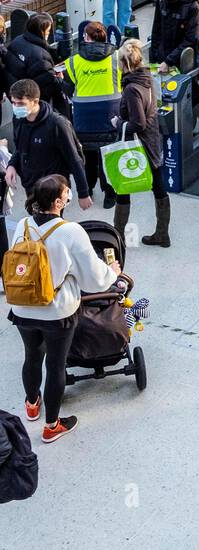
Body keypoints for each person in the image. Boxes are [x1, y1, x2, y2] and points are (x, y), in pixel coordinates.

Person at [7, 173, 119, 442]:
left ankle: (32, 405)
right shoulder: (70, 231)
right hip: (57, 311)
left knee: (32, 356)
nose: (70, 195)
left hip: (22, 307)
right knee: (56, 365)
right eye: (67, 192)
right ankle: (52, 426)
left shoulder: (23, 225)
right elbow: (93, 278)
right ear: (58, 202)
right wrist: (112, 272)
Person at [111, 39, 169, 248]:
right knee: (158, 184)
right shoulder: (147, 78)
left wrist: (119, 122)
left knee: (122, 185)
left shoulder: (131, 89)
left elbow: (138, 122)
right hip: (153, 139)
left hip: (137, 144)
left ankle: (118, 236)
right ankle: (162, 233)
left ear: (124, 64)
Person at [61, 20, 122, 206]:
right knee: (109, 156)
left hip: (83, 121)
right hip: (111, 118)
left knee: (87, 157)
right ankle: (110, 194)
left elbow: (69, 90)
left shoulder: (72, 61)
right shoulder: (117, 58)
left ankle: (88, 190)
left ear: (86, 38)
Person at [6, 79, 91, 208]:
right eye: (13, 103)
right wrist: (11, 165)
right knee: (35, 220)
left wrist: (83, 193)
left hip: (53, 190)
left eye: (21, 103)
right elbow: (20, 147)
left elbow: (74, 159)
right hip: (30, 185)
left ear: (35, 101)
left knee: (51, 225)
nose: (16, 107)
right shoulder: (19, 119)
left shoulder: (57, 124)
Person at [5, 13, 67, 112]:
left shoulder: (18, 40)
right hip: (33, 102)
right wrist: (59, 79)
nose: (49, 33)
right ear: (41, 32)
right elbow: (47, 84)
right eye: (48, 31)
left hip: (16, 96)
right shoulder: (40, 56)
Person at [149, 0, 199, 72]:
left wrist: (169, 61)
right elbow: (156, 28)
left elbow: (191, 38)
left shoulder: (193, 7)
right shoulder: (161, 0)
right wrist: (154, 55)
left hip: (181, 57)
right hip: (163, 53)